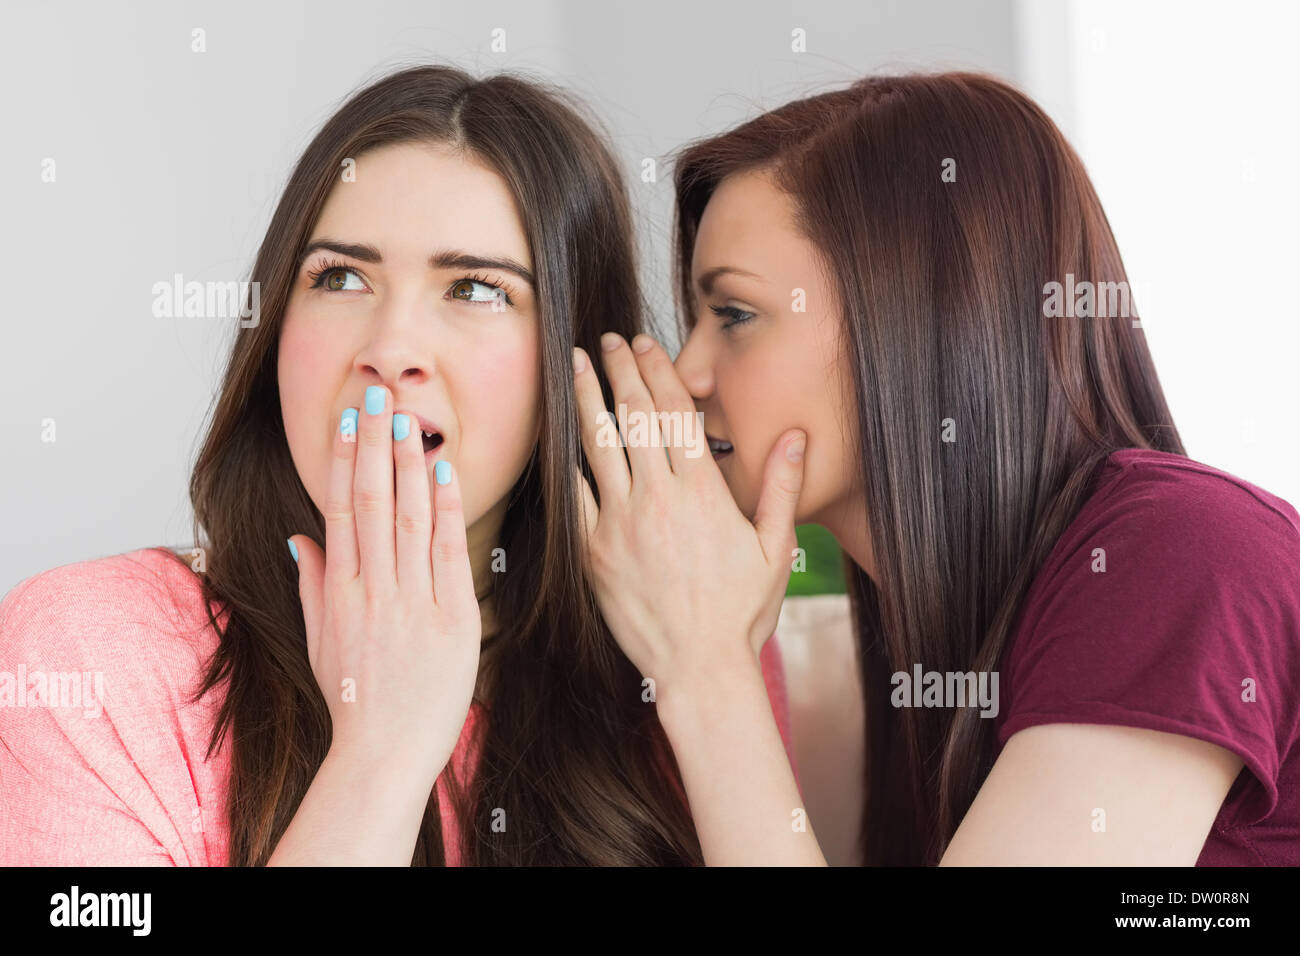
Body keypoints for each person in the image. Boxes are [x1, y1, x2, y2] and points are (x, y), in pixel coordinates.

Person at [0, 64, 794, 866]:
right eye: (341, 278)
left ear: (571, 364)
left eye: (477, 290)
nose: (390, 351)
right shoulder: (88, 652)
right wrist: (381, 749)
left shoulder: (686, 650)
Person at [573, 71, 1300, 866]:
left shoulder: (1184, 551)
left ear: (915, 316)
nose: (689, 372)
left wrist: (704, 669)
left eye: (735, 316)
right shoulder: (926, 644)